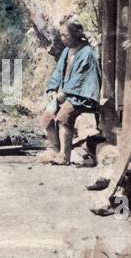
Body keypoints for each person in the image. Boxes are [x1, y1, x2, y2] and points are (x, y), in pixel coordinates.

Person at [40, 15, 102, 166]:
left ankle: (65, 156)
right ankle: (56, 150)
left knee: (63, 116)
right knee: (46, 118)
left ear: (75, 34)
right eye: (61, 35)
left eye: (65, 35)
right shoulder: (66, 52)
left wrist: (65, 94)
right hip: (68, 94)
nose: (63, 38)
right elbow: (57, 72)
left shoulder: (86, 53)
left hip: (82, 95)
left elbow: (81, 79)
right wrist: (52, 89)